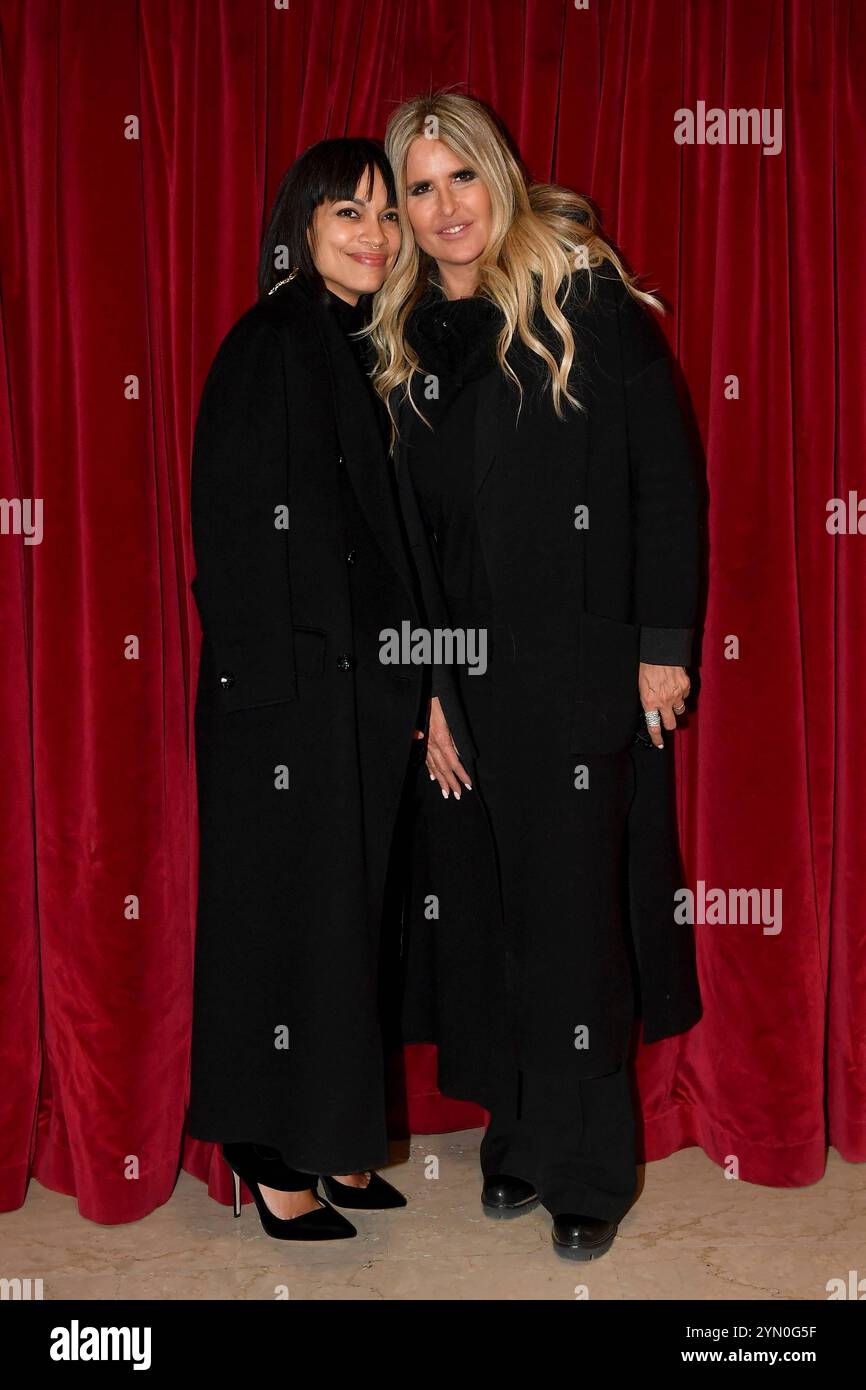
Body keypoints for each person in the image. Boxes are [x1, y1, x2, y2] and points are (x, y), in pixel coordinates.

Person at [369, 92, 704, 1261]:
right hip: (456, 683)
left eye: (461, 176)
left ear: (499, 177)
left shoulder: (584, 301)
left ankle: (586, 1171)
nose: (445, 206)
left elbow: (663, 477)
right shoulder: (398, 332)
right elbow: (399, 548)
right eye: (419, 186)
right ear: (401, 211)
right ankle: (511, 1140)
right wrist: (425, 694)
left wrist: (661, 647)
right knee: (483, 925)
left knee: (573, 933)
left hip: (574, 675)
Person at [187, 138, 423, 1241]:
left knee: (342, 930)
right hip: (285, 708)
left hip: (351, 702)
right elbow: (232, 533)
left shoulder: (349, 341)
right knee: (283, 927)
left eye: (385, 213)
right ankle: (268, 1151)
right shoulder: (272, 339)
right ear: (300, 227)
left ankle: (328, 1143)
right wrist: (274, 705)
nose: (374, 232)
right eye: (348, 213)